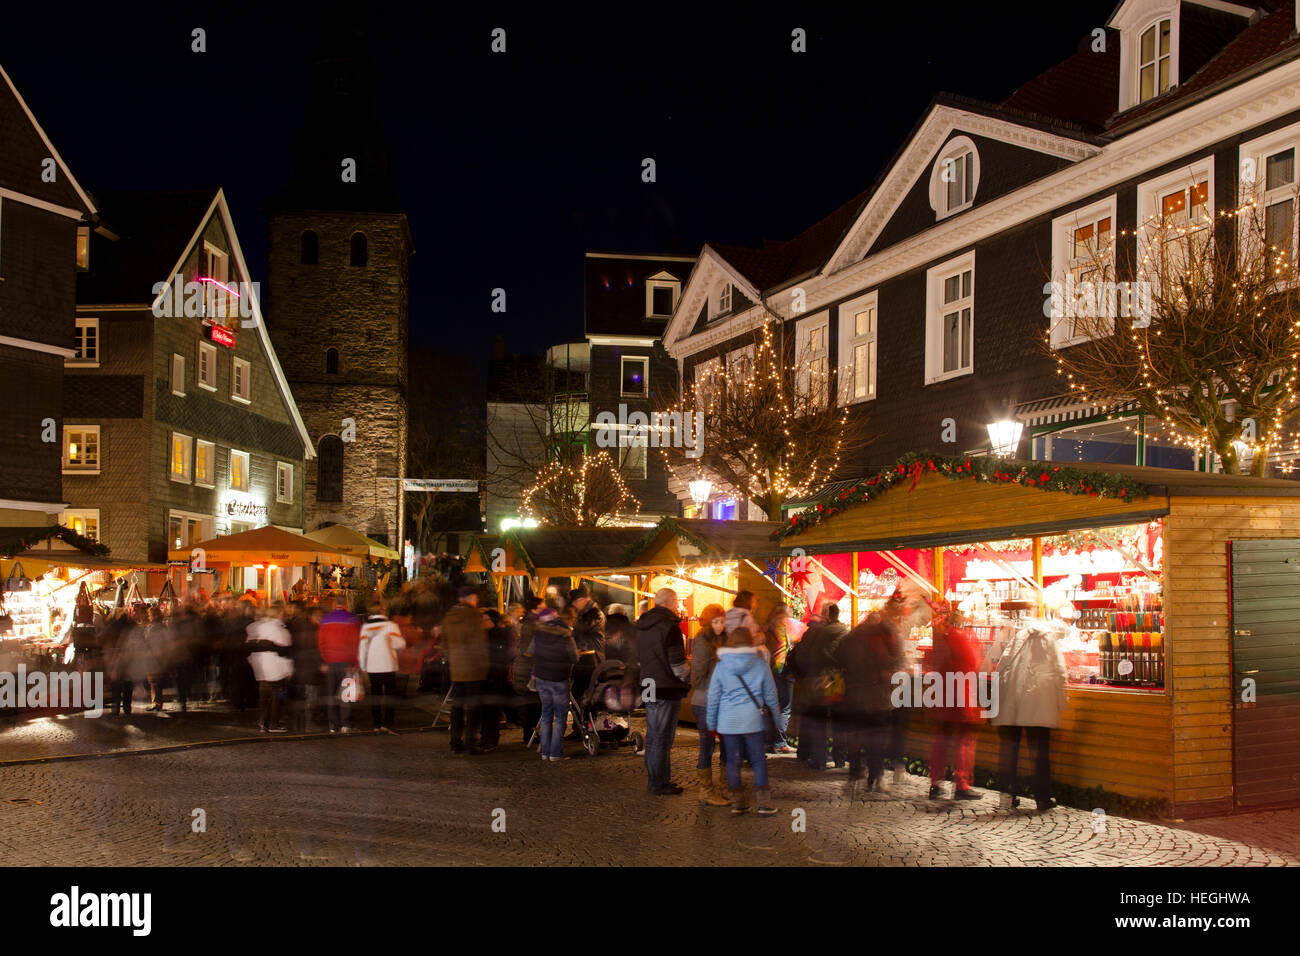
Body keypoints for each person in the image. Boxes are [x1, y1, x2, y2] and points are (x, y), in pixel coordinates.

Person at [993, 621, 1068, 812]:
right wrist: (1062, 701)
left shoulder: (1017, 639)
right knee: (1039, 752)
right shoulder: (1048, 640)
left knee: (1010, 750)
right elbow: (1060, 671)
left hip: (1012, 702)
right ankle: (1042, 798)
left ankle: (1006, 797)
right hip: (1039, 701)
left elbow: (1002, 666)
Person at [708, 627, 780, 816]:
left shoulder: (721, 666)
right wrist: (777, 718)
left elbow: (714, 696)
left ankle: (738, 803)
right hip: (752, 720)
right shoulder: (760, 664)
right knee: (758, 760)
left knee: (733, 760)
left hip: (727, 721)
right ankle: (764, 804)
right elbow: (770, 694)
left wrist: (710, 722)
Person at [924, 602, 983, 800]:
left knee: (941, 740)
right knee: (963, 742)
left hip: (941, 695)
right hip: (960, 695)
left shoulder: (939, 639)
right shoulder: (960, 638)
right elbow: (972, 665)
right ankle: (961, 784)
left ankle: (935, 782)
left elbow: (932, 665)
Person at [834, 612, 897, 790]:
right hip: (875, 696)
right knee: (876, 737)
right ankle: (875, 775)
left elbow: (837, 657)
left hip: (853, 694)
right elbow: (888, 665)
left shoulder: (850, 637)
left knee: (856, 734)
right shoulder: (877, 641)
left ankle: (855, 770)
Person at [635, 588, 689, 795]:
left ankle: (655, 778)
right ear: (670, 601)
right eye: (677, 602)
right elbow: (678, 664)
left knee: (653, 733)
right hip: (666, 686)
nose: (678, 606)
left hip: (647, 682)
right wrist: (687, 678)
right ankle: (658, 781)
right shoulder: (670, 627)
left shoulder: (641, 625)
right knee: (662, 736)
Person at [792, 602, 848, 769]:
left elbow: (800, 654)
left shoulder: (813, 632)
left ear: (825, 615)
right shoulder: (844, 633)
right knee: (838, 720)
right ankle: (839, 759)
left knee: (816, 719)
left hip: (815, 680)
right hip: (836, 679)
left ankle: (817, 760)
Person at [688, 604, 730, 806]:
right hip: (706, 701)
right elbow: (697, 675)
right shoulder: (703, 642)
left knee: (727, 745)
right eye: (717, 620)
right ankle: (706, 790)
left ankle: (724, 786)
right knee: (707, 745)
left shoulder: (724, 640)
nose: (721, 624)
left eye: (723, 620)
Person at [442, 586, 491, 755]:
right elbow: (480, 644)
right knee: (473, 709)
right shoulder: (474, 615)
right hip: (473, 668)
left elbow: (445, 643)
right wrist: (484, 666)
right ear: (471, 598)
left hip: (456, 669)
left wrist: (452, 660)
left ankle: (455, 743)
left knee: (457, 707)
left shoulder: (449, 616)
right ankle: (471, 743)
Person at [529, 602, 578, 761]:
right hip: (559, 678)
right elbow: (574, 658)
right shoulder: (565, 634)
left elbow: (530, 653)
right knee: (560, 716)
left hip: (542, 677)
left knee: (546, 714)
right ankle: (556, 753)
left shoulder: (538, 634)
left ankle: (545, 752)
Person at [359, 601, 406, 733]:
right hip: (389, 664)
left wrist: (363, 664)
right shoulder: (391, 626)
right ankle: (389, 723)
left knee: (376, 694)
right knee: (390, 695)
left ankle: (376, 723)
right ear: (382, 611)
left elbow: (363, 648)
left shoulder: (366, 627)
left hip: (372, 667)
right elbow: (399, 644)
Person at [247, 604, 293, 733]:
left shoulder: (257, 627)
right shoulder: (280, 630)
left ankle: (263, 722)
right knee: (275, 695)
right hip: (275, 667)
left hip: (260, 666)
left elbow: (250, 646)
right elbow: (284, 652)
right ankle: (273, 723)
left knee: (264, 696)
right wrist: (288, 670)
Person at [317, 597, 361, 733]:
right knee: (346, 694)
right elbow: (356, 643)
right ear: (346, 604)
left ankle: (332, 724)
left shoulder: (325, 620)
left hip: (331, 662)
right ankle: (345, 724)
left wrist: (324, 660)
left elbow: (321, 643)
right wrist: (355, 662)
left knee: (331, 693)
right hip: (346, 661)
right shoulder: (352, 619)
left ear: (333, 604)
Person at [761, 604, 798, 754]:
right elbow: (782, 650)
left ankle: (769, 740)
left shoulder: (766, 627)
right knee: (784, 707)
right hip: (780, 672)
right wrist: (785, 671)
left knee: (770, 706)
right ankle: (780, 741)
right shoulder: (781, 627)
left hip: (767, 670)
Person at [512, 596, 543, 742]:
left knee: (532, 703)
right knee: (534, 703)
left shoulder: (529, 623)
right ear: (534, 609)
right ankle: (531, 733)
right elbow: (529, 650)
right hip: (530, 670)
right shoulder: (534, 625)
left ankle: (530, 733)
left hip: (526, 668)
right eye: (542, 607)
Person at [144, 606, 170, 712]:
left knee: (154, 681)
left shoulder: (153, 628)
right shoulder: (163, 626)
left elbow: (149, 642)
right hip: (162, 657)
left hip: (153, 658)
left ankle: (156, 703)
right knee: (157, 681)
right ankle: (157, 702)